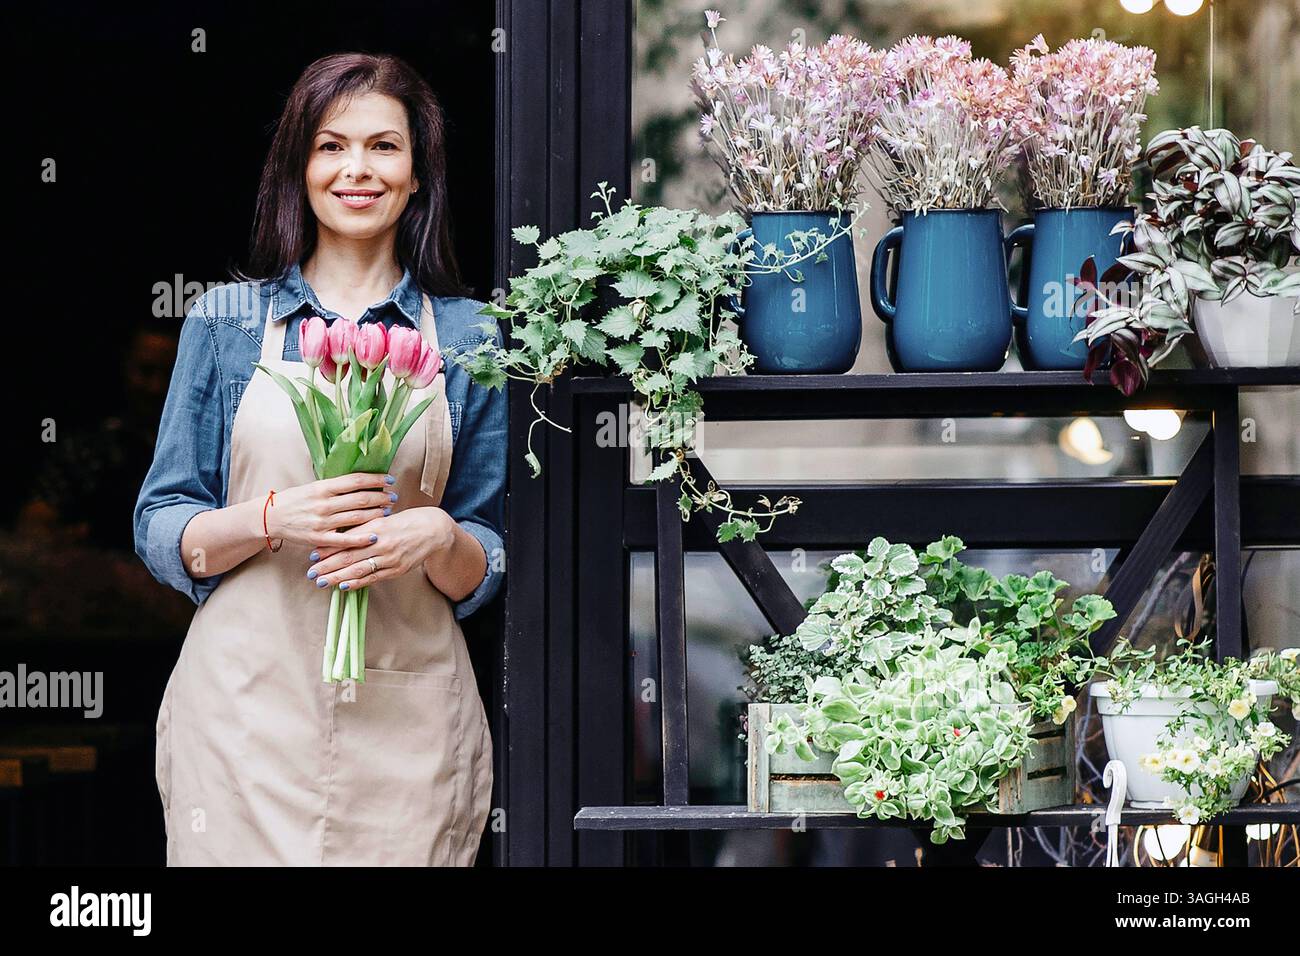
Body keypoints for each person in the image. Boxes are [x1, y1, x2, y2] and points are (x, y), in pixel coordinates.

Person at [132, 52, 505, 866]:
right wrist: (271, 519)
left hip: (407, 719)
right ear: (298, 167)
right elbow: (162, 524)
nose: (357, 170)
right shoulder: (226, 323)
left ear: (417, 175)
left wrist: (438, 537)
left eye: (384, 147)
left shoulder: (471, 337)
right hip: (244, 718)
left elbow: (492, 552)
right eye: (331, 147)